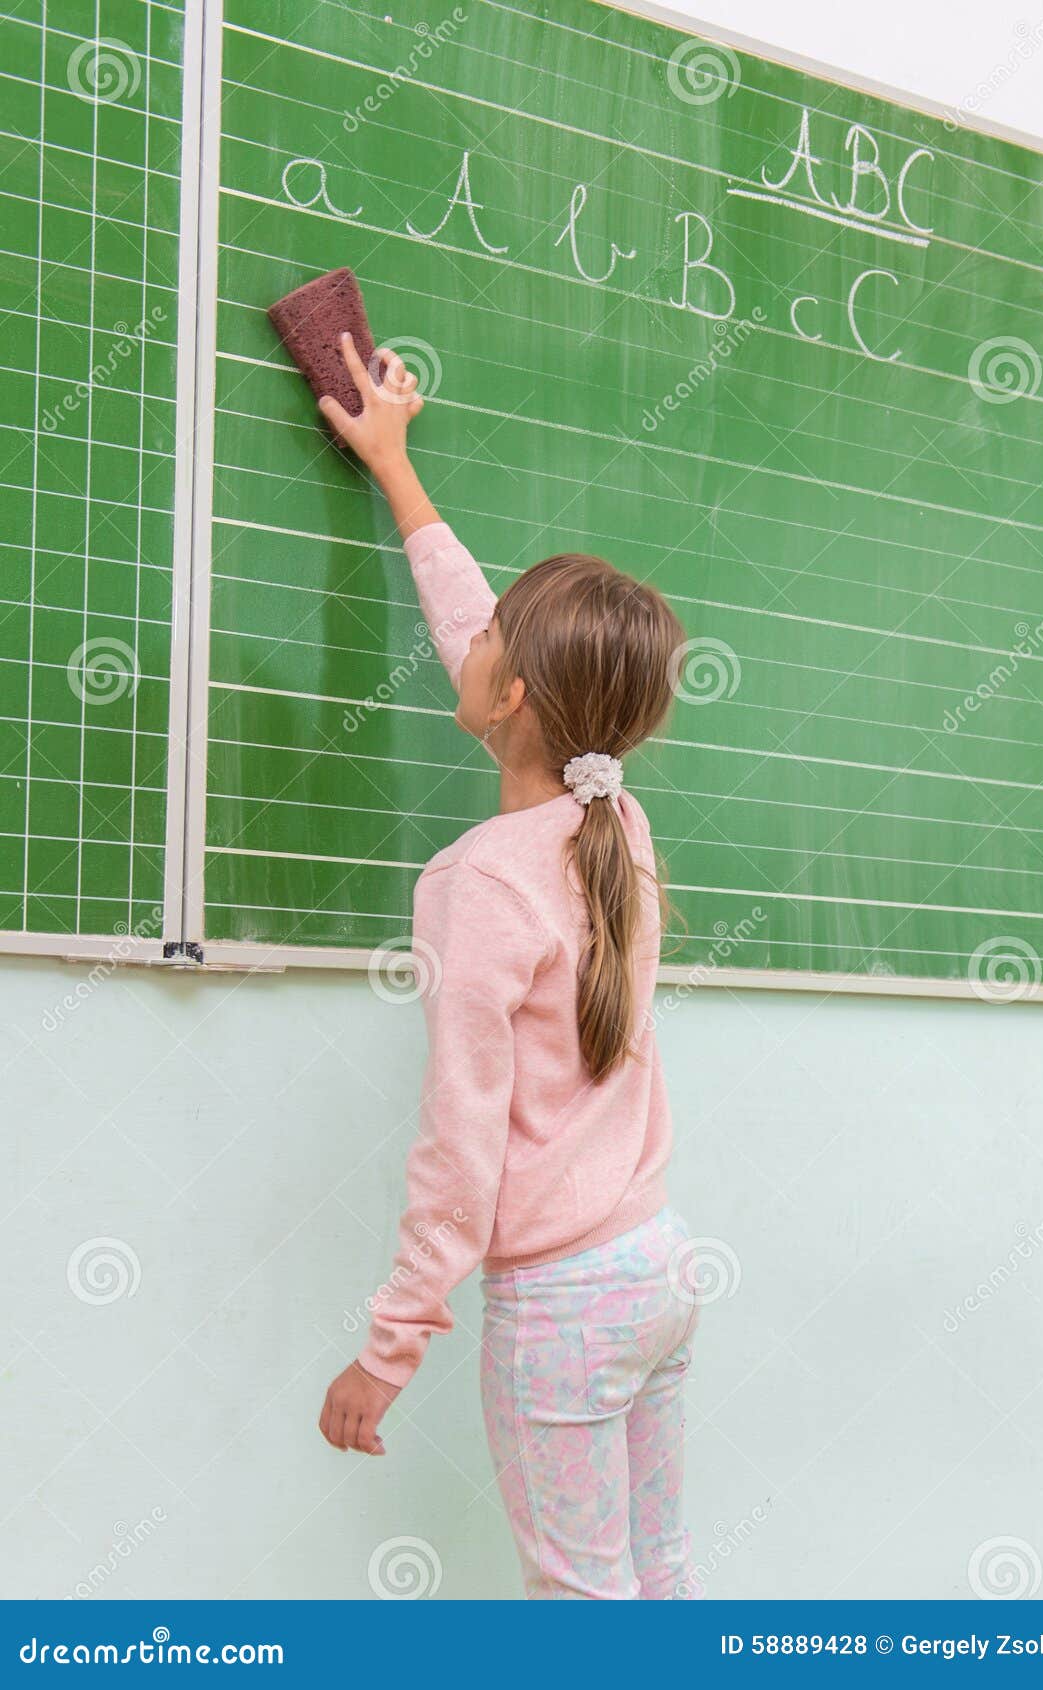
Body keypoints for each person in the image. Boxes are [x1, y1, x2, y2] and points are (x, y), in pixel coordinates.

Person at [316, 333, 700, 1600]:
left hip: (564, 1307)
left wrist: (391, 1345)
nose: (465, 644)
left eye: (489, 650)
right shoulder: (612, 820)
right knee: (651, 1577)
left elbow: (460, 1139)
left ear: (513, 696)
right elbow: (480, 625)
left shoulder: (480, 879)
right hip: (651, 1268)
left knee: (574, 1608)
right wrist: (398, 474)